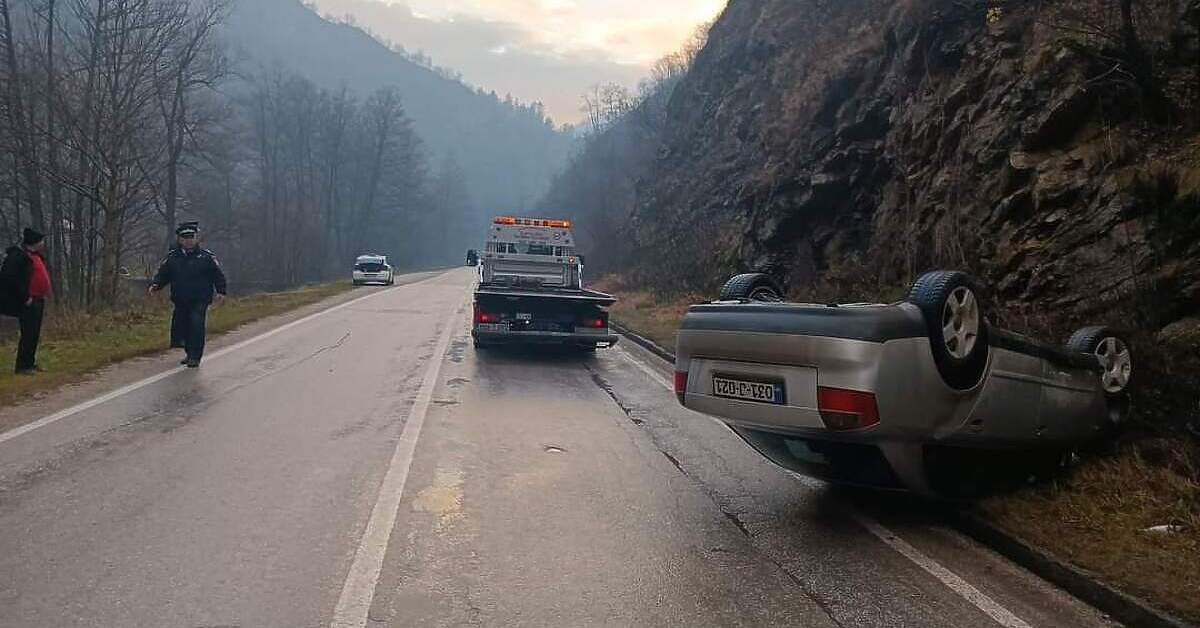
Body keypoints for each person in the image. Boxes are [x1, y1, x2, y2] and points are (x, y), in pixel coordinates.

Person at [149, 222, 227, 368]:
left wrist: (221, 291)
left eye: (191, 237)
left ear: (196, 239)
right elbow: (164, 274)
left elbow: (218, 275)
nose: (188, 240)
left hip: (200, 298)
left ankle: (195, 356)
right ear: (179, 239)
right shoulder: (173, 257)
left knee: (196, 324)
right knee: (183, 325)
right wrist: (156, 285)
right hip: (180, 298)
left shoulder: (206, 257)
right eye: (185, 238)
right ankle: (189, 351)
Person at [0, 228, 51, 375]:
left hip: (38, 299)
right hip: (28, 301)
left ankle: (30, 363)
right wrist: (25, 297)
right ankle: (22, 366)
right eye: (41, 240)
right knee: (28, 334)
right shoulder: (19, 257)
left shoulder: (35, 256)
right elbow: (10, 278)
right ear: (34, 242)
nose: (43, 243)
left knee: (34, 334)